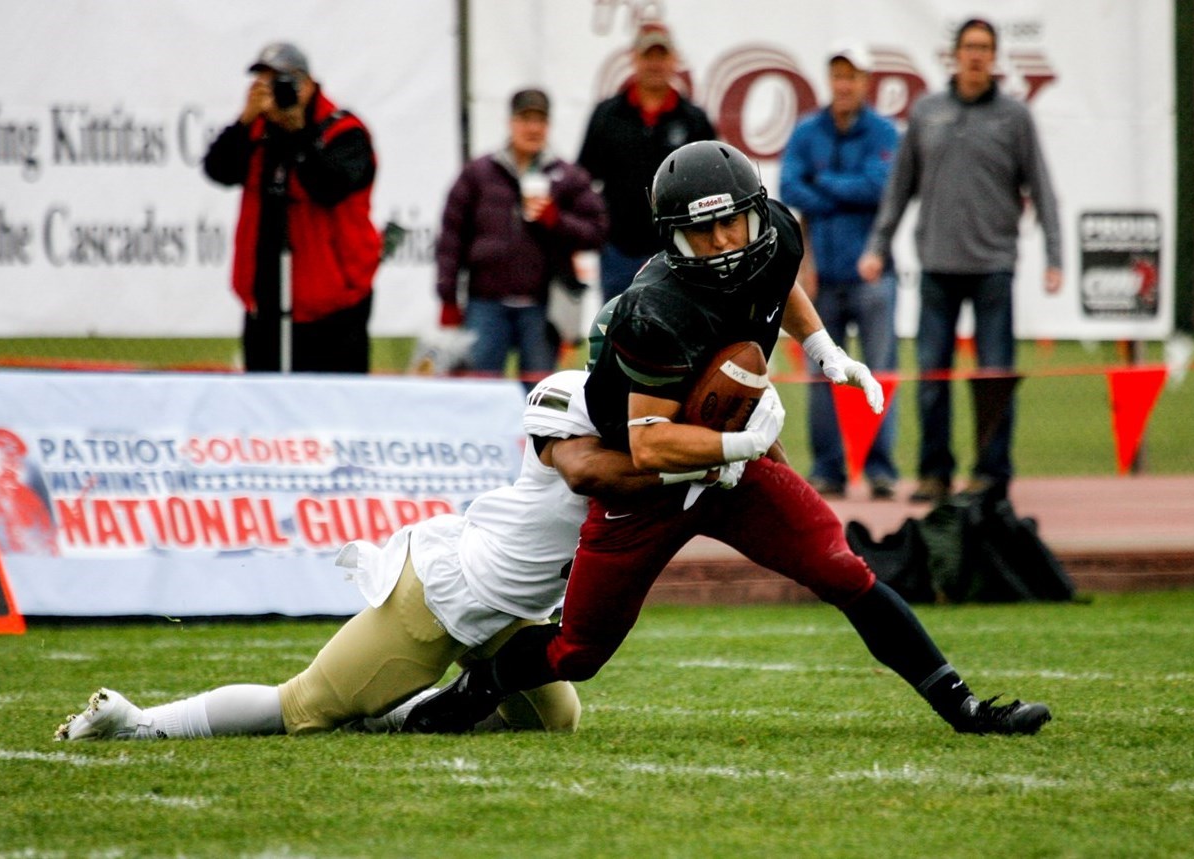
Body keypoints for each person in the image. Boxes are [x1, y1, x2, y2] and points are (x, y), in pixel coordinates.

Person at [399, 140, 1052, 738]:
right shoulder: (655, 307)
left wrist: (824, 350)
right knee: (580, 650)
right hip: (644, 484)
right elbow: (651, 444)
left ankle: (962, 706)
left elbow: (780, 285)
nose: (721, 241)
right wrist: (741, 446)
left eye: (730, 221)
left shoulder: (778, 236)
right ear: (673, 237)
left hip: (730, 464)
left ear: (755, 212)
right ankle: (480, 683)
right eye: (701, 229)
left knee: (842, 568)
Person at [54, 358, 721, 741]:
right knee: (303, 706)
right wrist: (706, 458)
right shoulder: (570, 400)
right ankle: (140, 723)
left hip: (509, 613)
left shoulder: (651, 421)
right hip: (444, 593)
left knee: (555, 723)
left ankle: (401, 708)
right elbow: (589, 473)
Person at [858, 18, 1063, 503]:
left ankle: (991, 476)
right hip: (936, 267)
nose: (976, 56)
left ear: (994, 58)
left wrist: (1055, 255)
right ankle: (934, 474)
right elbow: (899, 188)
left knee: (993, 377)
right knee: (932, 376)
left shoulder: (1014, 117)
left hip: (994, 266)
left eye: (984, 48)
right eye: (969, 47)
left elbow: (1043, 188)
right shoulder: (927, 112)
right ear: (955, 55)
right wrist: (877, 246)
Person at [203, 42, 380, 374]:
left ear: (308, 84)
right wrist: (244, 122)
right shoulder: (257, 131)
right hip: (266, 297)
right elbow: (219, 170)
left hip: (333, 306)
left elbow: (328, 188)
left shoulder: (344, 133)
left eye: (282, 81)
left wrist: (298, 131)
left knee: (333, 410)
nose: (275, 91)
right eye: (265, 82)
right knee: (266, 411)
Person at [780, 43, 902, 500]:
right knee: (823, 376)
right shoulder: (808, 131)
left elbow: (880, 188)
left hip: (873, 275)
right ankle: (828, 469)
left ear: (866, 82)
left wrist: (823, 186)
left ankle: (880, 468)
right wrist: (842, 193)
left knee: (880, 372)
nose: (844, 84)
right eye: (838, 75)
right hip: (821, 277)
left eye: (853, 76)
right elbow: (789, 186)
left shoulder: (885, 132)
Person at [437, 89, 608, 379]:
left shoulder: (567, 176)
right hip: (486, 302)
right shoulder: (479, 173)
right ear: (510, 122)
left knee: (539, 394)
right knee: (480, 392)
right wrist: (448, 298)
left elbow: (597, 231)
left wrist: (557, 221)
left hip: (543, 307)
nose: (532, 128)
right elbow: (451, 238)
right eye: (525, 119)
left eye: (540, 120)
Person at [578, 20, 717, 303]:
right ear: (634, 58)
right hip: (619, 249)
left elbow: (713, 183)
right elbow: (583, 177)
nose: (655, 64)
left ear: (674, 60)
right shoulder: (607, 115)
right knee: (617, 334)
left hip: (678, 251)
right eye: (647, 56)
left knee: (676, 337)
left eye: (661, 56)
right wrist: (599, 226)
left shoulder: (693, 120)